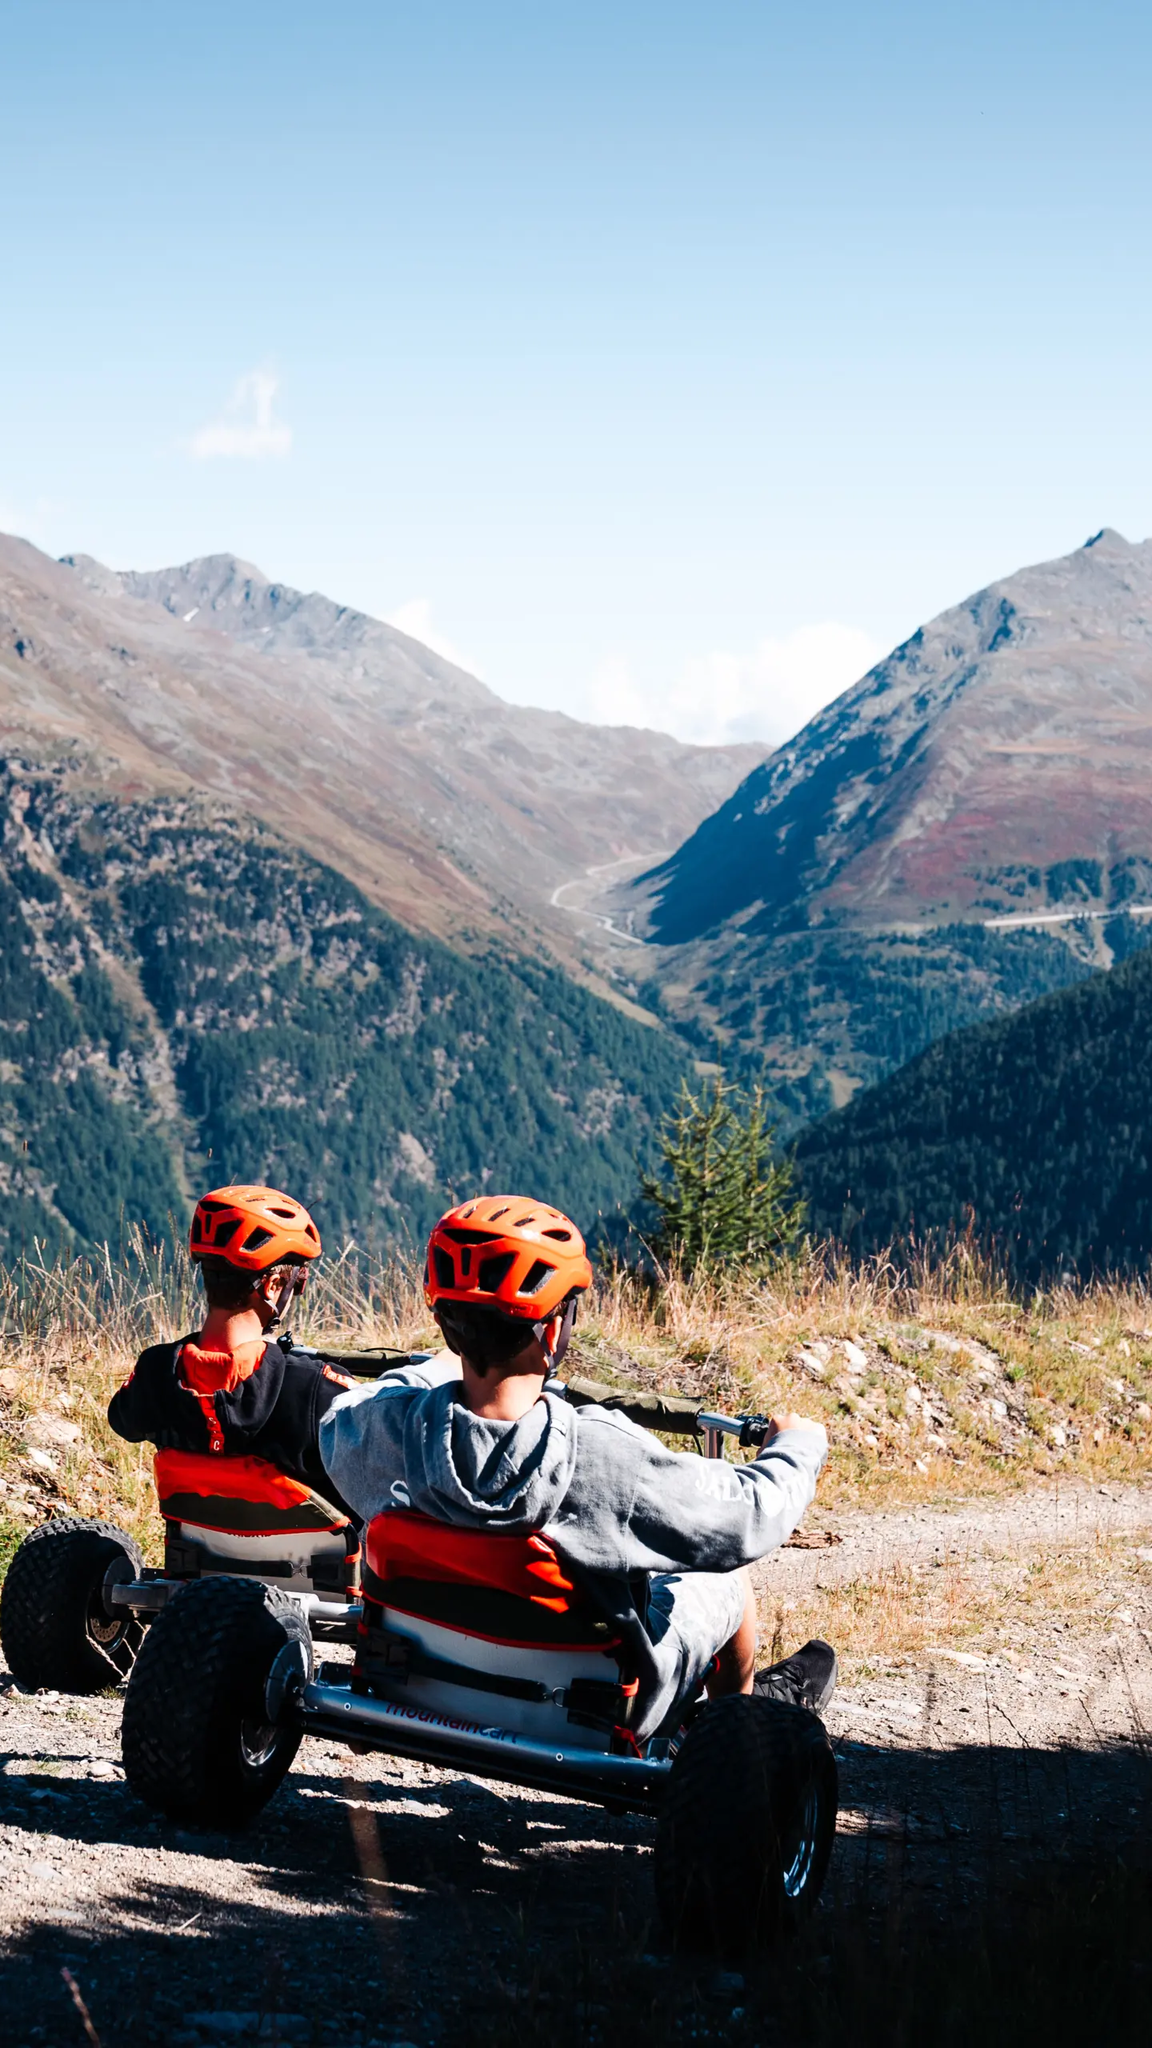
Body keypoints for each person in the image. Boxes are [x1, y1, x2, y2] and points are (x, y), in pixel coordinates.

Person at [319, 1194, 836, 1741]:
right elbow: (747, 1518)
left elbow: (346, 1411)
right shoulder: (603, 1457)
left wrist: (431, 1371)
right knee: (727, 1579)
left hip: (414, 1678)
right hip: (591, 1714)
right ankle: (734, 1733)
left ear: (446, 1323)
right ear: (552, 1331)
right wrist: (797, 1447)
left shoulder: (378, 1432)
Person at [108, 1184, 357, 1501]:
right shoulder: (316, 1390)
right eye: (300, 1281)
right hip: (314, 1552)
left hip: (198, 1549)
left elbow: (123, 1422)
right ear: (274, 1285)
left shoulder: (155, 1374)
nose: (298, 1291)